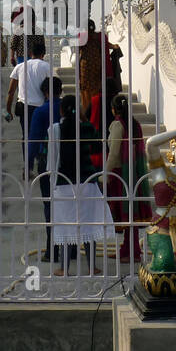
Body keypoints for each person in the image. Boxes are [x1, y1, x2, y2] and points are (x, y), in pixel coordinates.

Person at [49, 95, 111, 276]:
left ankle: (64, 268)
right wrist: (85, 120)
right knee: (88, 225)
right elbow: (100, 147)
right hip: (86, 182)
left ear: (61, 110)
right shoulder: (85, 128)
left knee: (67, 225)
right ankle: (92, 267)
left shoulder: (55, 130)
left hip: (64, 184)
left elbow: (47, 155)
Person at [105, 93, 147, 264]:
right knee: (132, 213)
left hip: (121, 173)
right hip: (134, 172)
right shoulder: (135, 124)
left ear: (114, 109)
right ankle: (130, 249)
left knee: (125, 212)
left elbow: (114, 152)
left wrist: (106, 174)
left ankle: (130, 251)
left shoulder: (117, 125)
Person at [27, 76, 63, 262]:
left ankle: (52, 250)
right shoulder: (69, 108)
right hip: (69, 161)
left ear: (46, 92)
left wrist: (28, 164)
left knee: (50, 204)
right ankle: (70, 248)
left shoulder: (41, 112)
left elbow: (33, 140)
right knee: (69, 203)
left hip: (47, 161)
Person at [4, 34, 50, 159]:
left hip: (24, 107)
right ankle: (41, 160)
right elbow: (51, 89)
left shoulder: (19, 67)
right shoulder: (46, 67)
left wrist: (8, 110)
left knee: (26, 136)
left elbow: (11, 92)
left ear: (30, 53)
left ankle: (27, 164)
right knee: (42, 135)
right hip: (41, 107)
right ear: (43, 54)